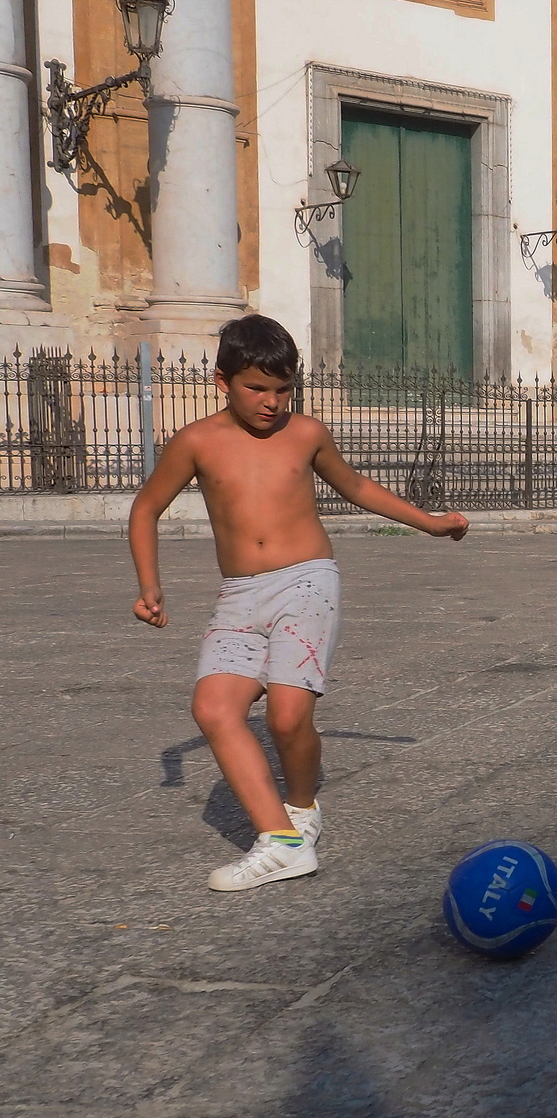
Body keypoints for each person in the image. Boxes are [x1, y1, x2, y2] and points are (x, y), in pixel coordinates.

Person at [129, 315, 469, 891]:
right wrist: (148, 585)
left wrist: (429, 523)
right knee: (213, 709)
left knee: (287, 716)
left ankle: (302, 807)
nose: (271, 402)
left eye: (283, 389)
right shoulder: (196, 443)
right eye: (256, 388)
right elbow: (145, 509)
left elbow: (357, 487)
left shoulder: (306, 434)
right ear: (222, 381)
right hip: (239, 595)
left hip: (307, 582)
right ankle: (282, 842)